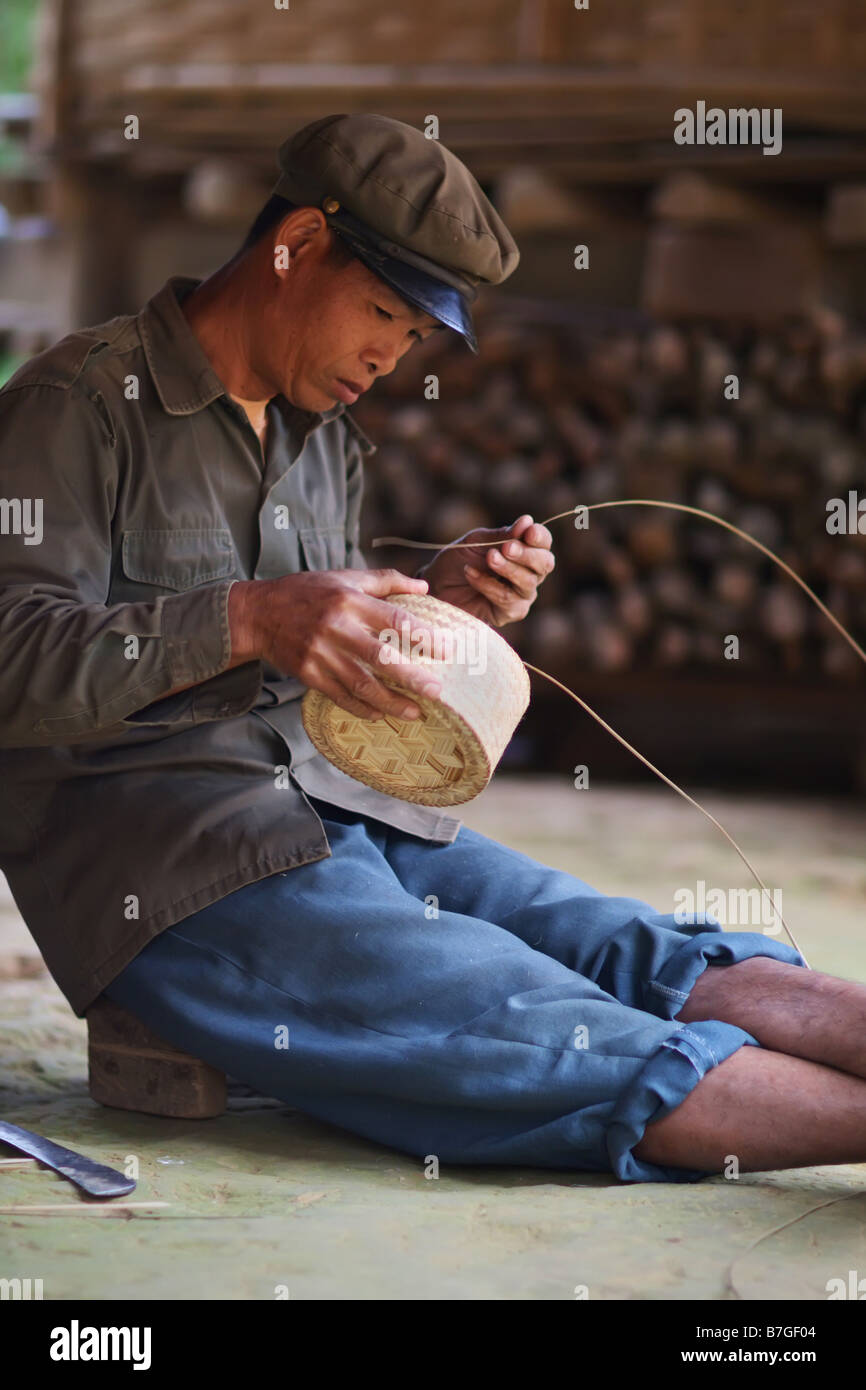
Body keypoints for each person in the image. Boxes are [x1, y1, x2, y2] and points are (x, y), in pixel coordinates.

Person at [1, 113, 863, 1184]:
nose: (386, 355)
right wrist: (249, 616)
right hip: (173, 873)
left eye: (410, 336)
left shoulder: (322, 442)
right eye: (379, 312)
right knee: (540, 1031)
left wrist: (439, 607)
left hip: (347, 816)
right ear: (296, 246)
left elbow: (311, 640)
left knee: (628, 945)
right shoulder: (76, 407)